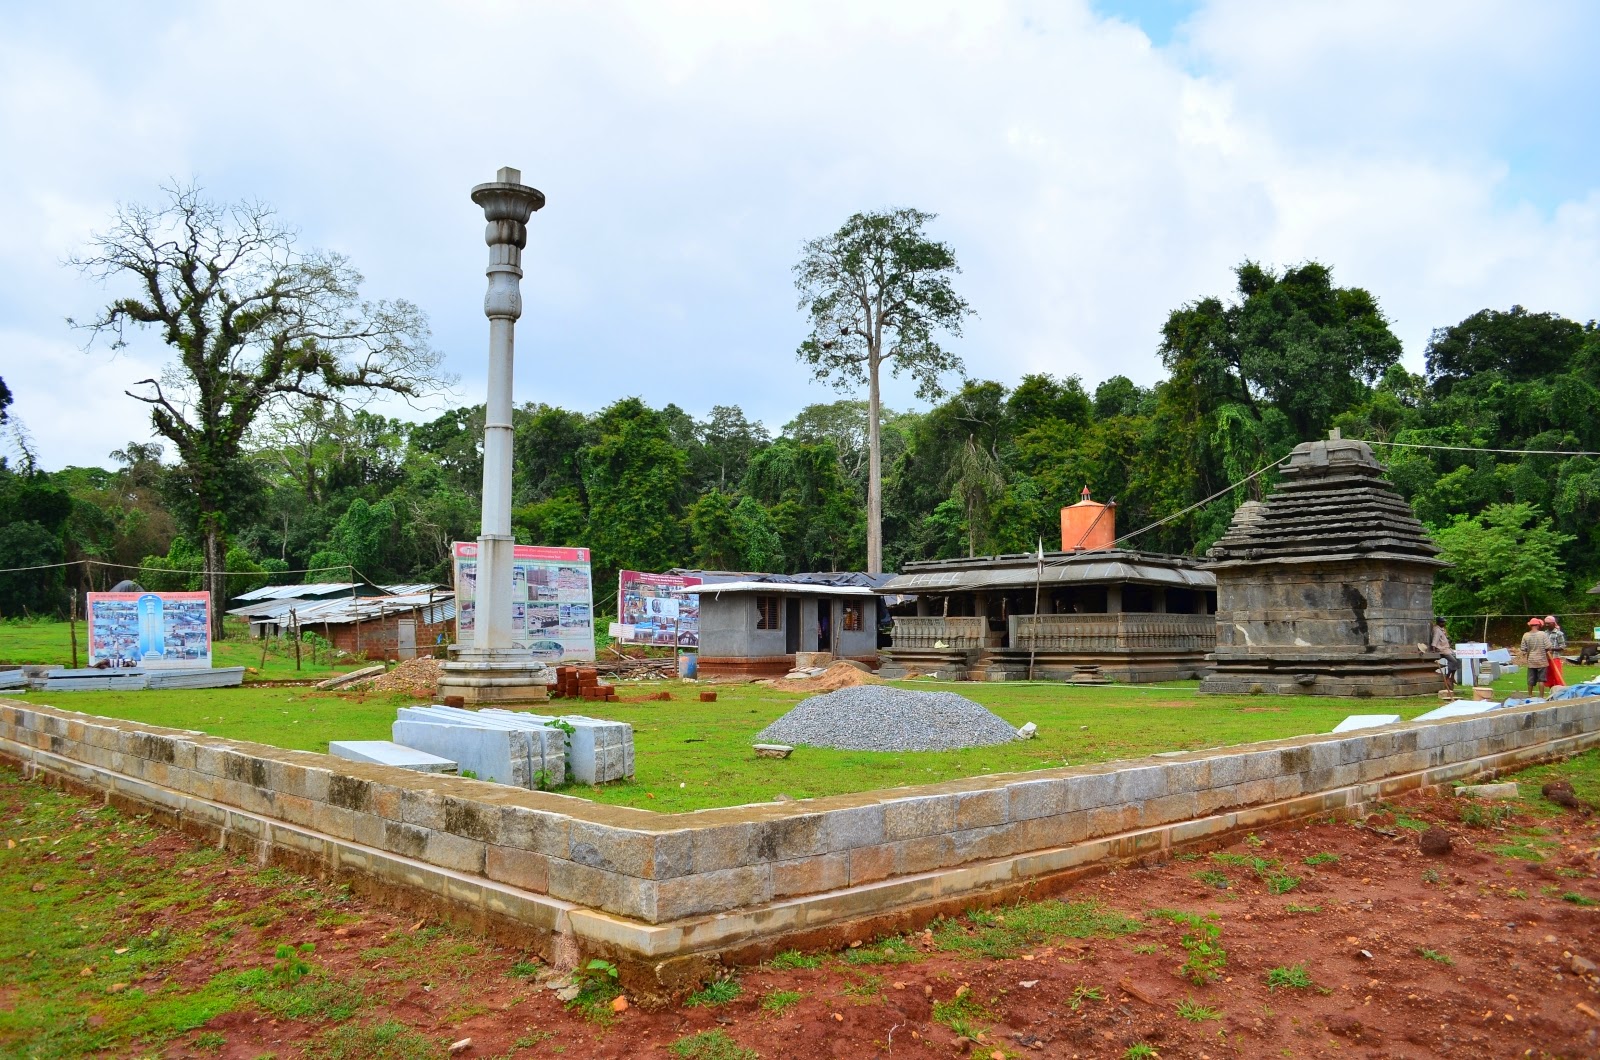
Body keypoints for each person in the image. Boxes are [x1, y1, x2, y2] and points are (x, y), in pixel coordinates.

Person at [1520, 617, 1551, 695]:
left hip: (1531, 660)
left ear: (1530, 625)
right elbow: (1548, 646)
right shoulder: (1542, 634)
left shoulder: (1525, 635)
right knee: (1541, 680)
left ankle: (1530, 695)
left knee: (1531, 680)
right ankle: (1541, 697)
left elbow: (1523, 649)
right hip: (1542, 660)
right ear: (1538, 625)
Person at [1431, 617, 1457, 693]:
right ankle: (1448, 676)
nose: (1444, 624)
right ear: (1438, 622)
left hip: (1447, 648)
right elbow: (1435, 639)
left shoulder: (1442, 629)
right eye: (1442, 622)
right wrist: (1433, 649)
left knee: (1458, 660)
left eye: (1444, 622)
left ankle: (1452, 676)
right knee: (1453, 661)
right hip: (1442, 650)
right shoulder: (1437, 630)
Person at [1544, 615, 1566, 688]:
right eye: (1546, 623)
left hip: (1555, 657)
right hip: (1546, 659)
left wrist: (1551, 649)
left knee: (1557, 675)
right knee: (1549, 676)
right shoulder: (1544, 633)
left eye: (1548, 623)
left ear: (1553, 623)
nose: (1547, 625)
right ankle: (1552, 690)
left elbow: (1562, 646)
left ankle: (1560, 691)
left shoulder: (1559, 633)